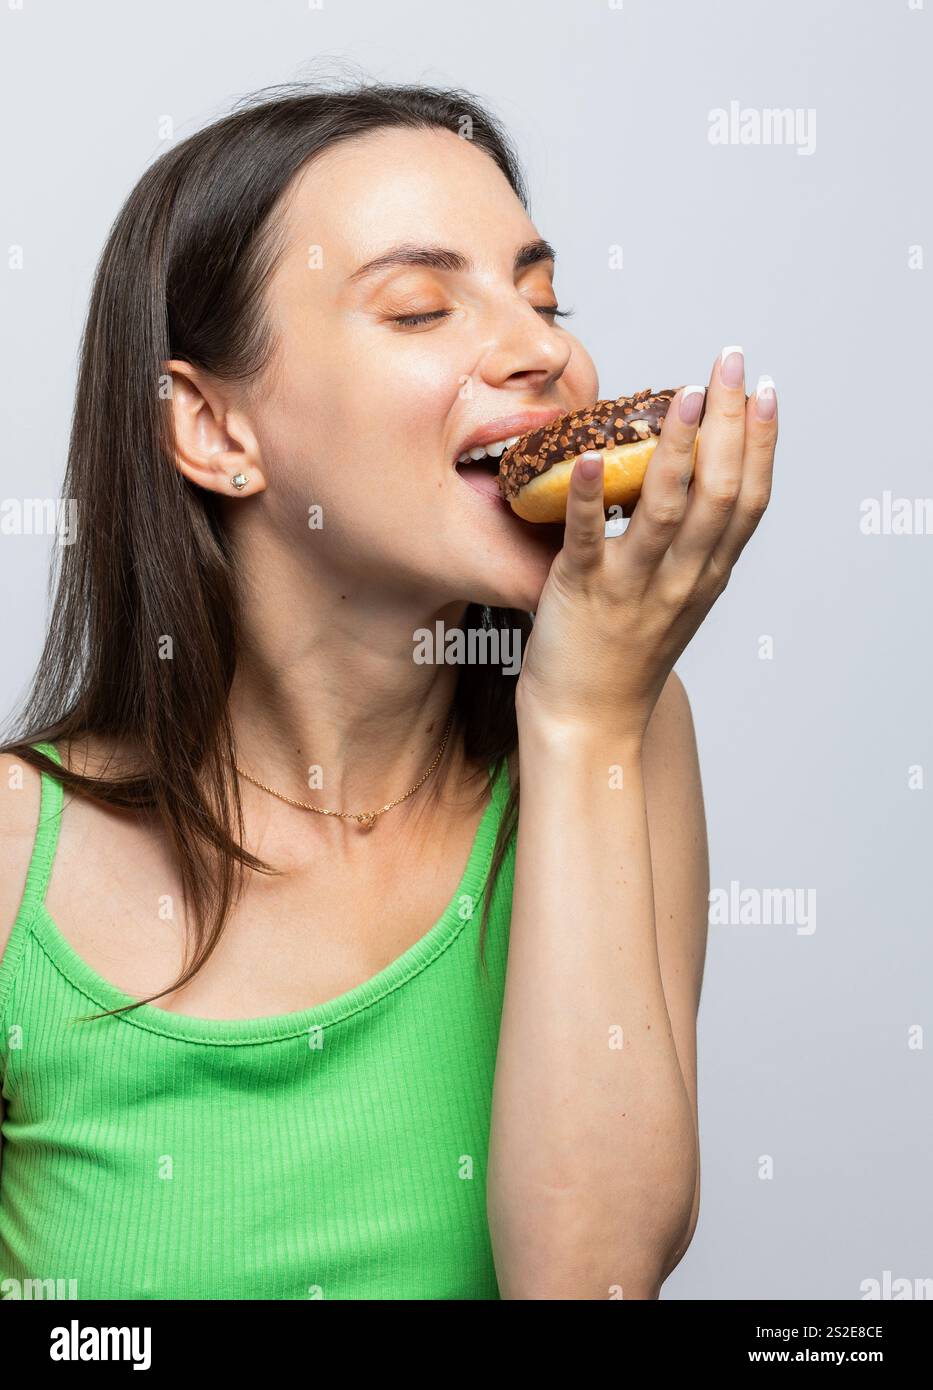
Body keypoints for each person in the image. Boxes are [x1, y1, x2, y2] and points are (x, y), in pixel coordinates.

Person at [0, 80, 777, 1300]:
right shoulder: (13, 854)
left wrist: (583, 720)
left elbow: (588, 1284)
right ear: (213, 429)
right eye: (420, 307)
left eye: (544, 297)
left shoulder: (622, 735)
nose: (546, 350)